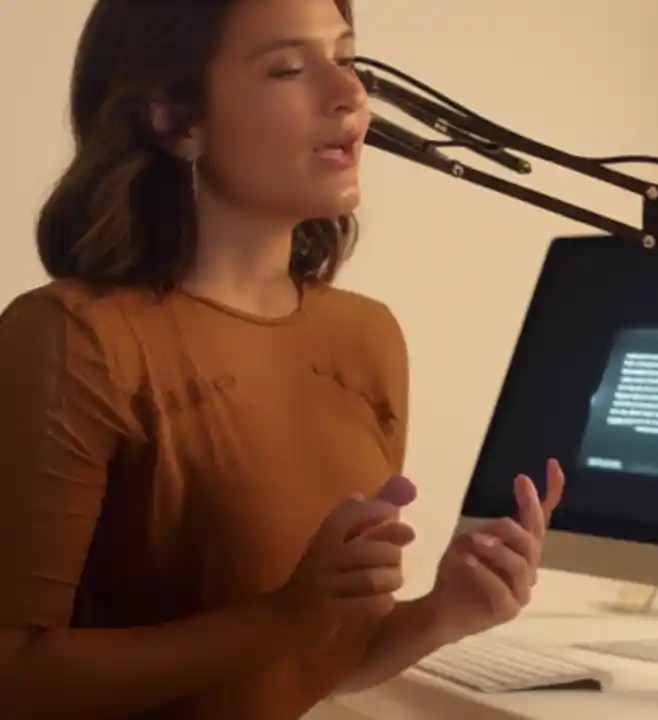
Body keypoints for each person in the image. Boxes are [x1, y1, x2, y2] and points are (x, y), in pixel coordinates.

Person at [0, 0, 565, 718]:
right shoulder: (71, 339)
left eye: (349, 59)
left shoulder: (365, 338)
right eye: (290, 68)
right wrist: (283, 617)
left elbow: (312, 667)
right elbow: (13, 674)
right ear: (175, 118)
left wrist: (444, 614)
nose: (350, 94)